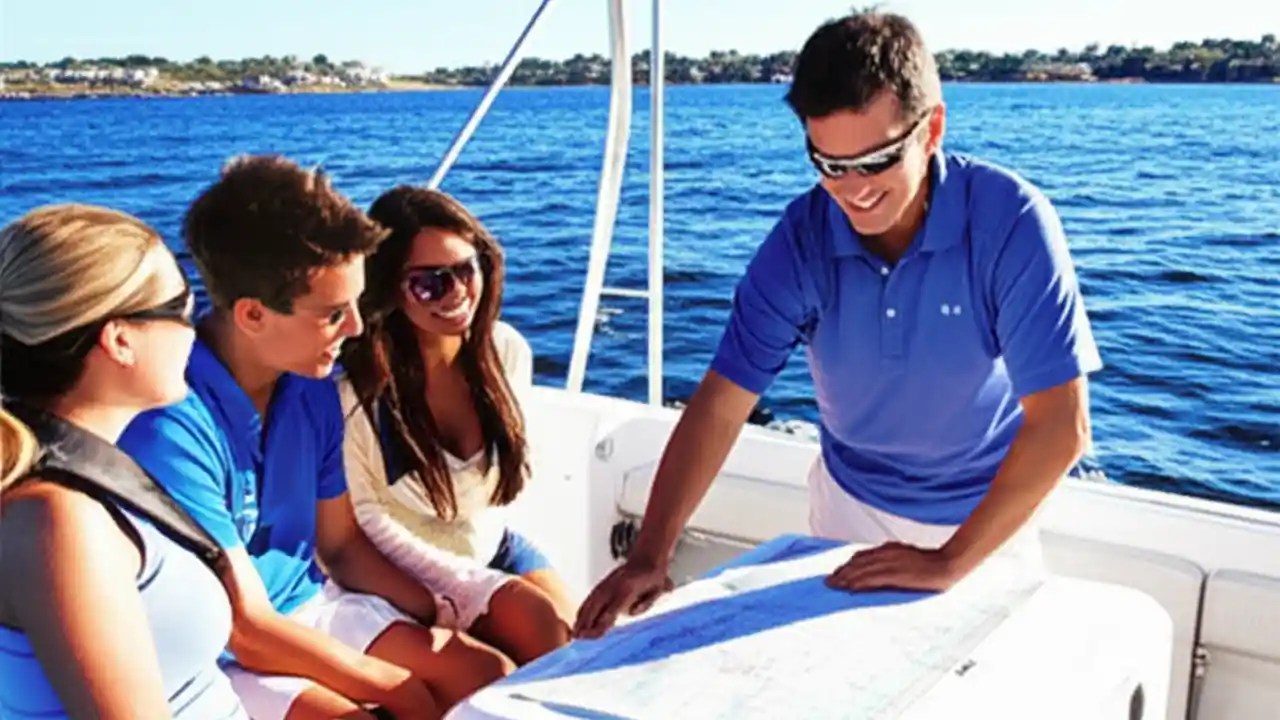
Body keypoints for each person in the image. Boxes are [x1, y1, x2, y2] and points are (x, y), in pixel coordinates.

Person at [575, 11, 1102, 638]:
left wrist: (950, 562)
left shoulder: (1009, 221)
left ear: (931, 128)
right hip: (846, 510)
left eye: (876, 160)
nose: (852, 190)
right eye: (829, 164)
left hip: (985, 521)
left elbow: (1061, 427)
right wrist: (649, 555)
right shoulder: (802, 240)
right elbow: (721, 402)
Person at [119, 156, 513, 720]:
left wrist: (439, 610)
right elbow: (245, 627)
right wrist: (391, 684)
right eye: (333, 314)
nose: (356, 328)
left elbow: (343, 546)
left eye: (356, 304)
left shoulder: (312, 388)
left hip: (308, 605)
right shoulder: (171, 423)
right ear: (253, 315)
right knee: (394, 706)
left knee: (483, 675)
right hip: (219, 650)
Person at [0, 204, 247, 719]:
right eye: (182, 305)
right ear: (120, 339)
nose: (195, 324)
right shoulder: (58, 521)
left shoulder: (82, 479)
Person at [339, 186, 571, 665]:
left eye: (468, 269)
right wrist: (462, 596)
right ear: (388, 288)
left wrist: (493, 583)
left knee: (581, 650)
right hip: (400, 570)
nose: (458, 293)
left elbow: (502, 489)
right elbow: (367, 522)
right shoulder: (357, 390)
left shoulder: (506, 352)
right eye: (430, 282)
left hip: (491, 545)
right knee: (521, 653)